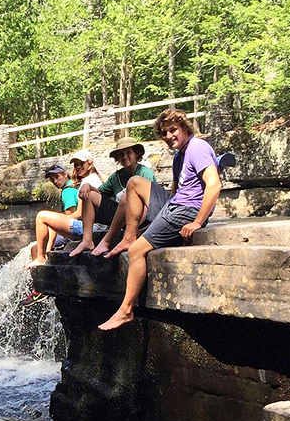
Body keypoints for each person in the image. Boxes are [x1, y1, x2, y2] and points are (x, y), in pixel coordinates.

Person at [97, 108, 221, 331]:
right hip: (174, 204)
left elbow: (214, 185)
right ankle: (128, 236)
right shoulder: (179, 155)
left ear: (184, 127)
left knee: (136, 251)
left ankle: (126, 310)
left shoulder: (198, 147)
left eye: (173, 130)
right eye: (164, 133)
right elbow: (177, 189)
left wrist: (198, 222)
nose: (169, 136)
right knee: (134, 183)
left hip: (187, 211)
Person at [21, 153, 102, 306]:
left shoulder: (73, 188)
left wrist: (57, 219)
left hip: (89, 228)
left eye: (56, 177)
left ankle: (41, 275)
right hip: (92, 226)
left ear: (90, 163)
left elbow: (75, 213)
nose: (54, 181)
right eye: (75, 164)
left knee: (42, 220)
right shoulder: (86, 181)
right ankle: (43, 265)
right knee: (49, 227)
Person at [68, 137, 156, 258]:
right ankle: (87, 240)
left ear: (136, 154)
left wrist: (133, 230)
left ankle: (107, 241)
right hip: (120, 216)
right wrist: (87, 186)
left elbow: (150, 203)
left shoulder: (145, 173)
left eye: (128, 152)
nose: (125, 156)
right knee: (89, 195)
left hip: (139, 218)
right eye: (121, 154)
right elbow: (100, 192)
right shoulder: (116, 177)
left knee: (128, 197)